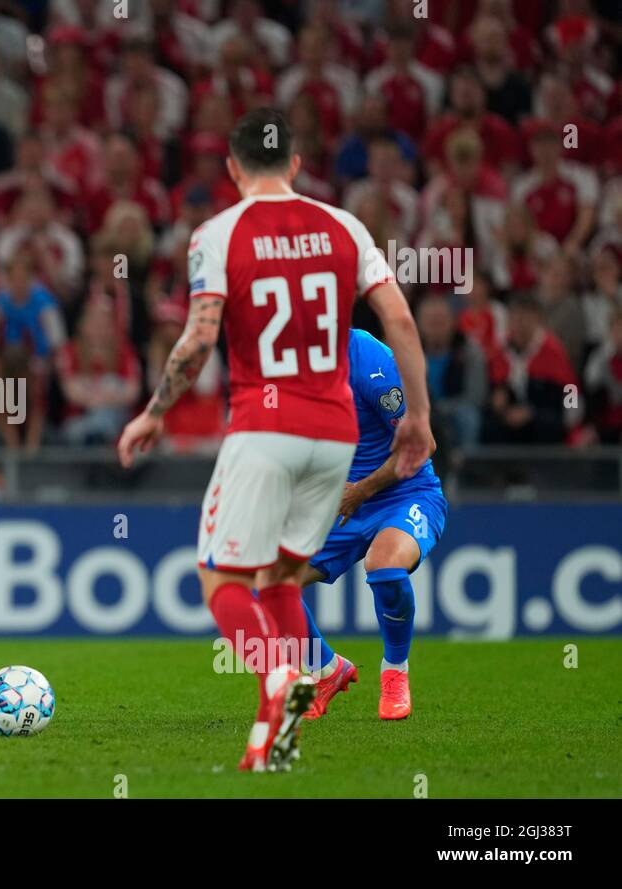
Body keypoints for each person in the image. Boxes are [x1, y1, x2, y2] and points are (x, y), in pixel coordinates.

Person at [118, 108, 432, 772]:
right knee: (279, 575)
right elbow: (400, 317)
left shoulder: (218, 233)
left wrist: (154, 411)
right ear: (294, 165)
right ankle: (310, 687)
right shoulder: (344, 226)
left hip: (266, 426)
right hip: (334, 433)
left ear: (232, 170)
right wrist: (418, 418)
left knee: (220, 574)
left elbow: (200, 336)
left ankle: (277, 681)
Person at [296, 329, 447, 722]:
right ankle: (326, 670)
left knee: (384, 565)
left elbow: (423, 445)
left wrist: (361, 490)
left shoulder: (370, 361)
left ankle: (395, 672)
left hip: (405, 493)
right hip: (344, 501)